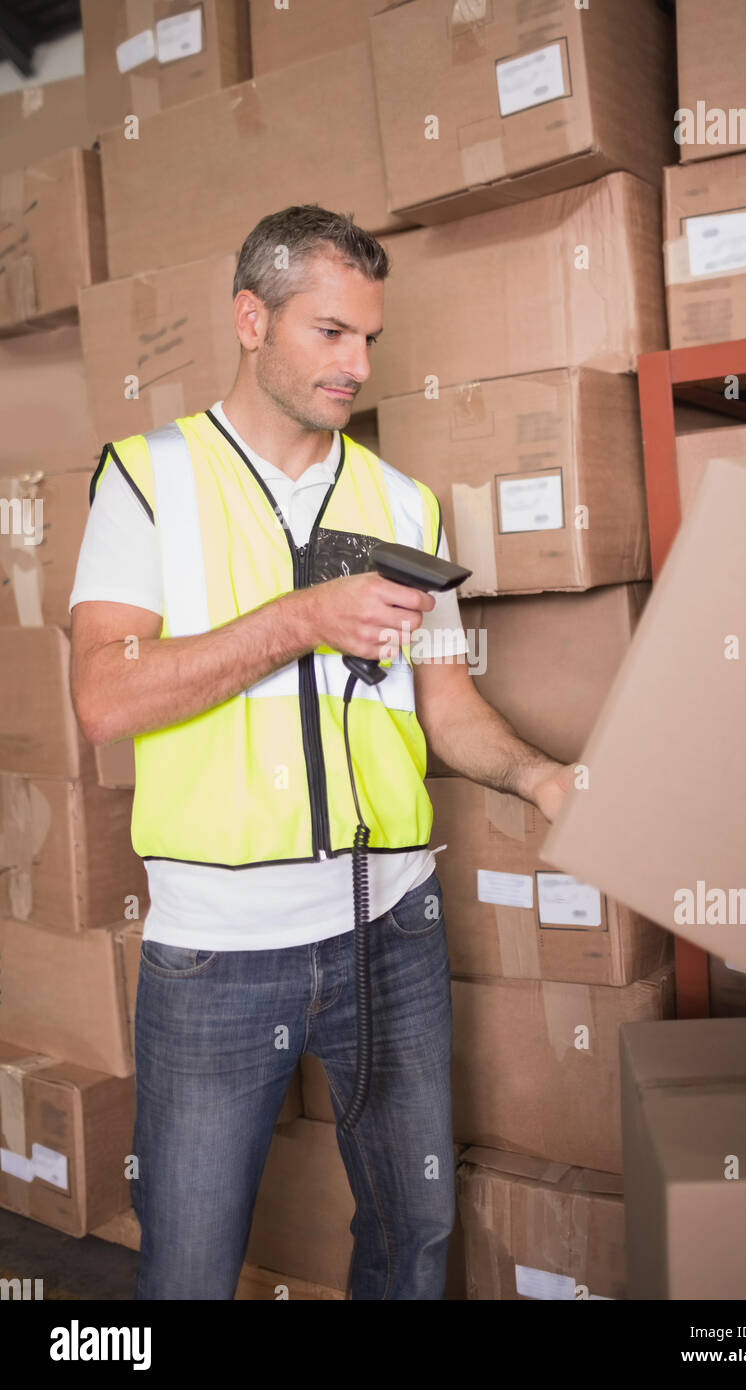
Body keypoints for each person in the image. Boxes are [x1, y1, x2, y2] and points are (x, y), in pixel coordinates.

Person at [69, 204, 573, 1300]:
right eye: (329, 333)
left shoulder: (402, 501)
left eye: (369, 340)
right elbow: (104, 698)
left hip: (388, 933)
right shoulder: (149, 478)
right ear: (251, 318)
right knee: (189, 1268)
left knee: (413, 1236)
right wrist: (301, 617)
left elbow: (445, 708)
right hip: (216, 955)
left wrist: (541, 777)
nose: (355, 365)